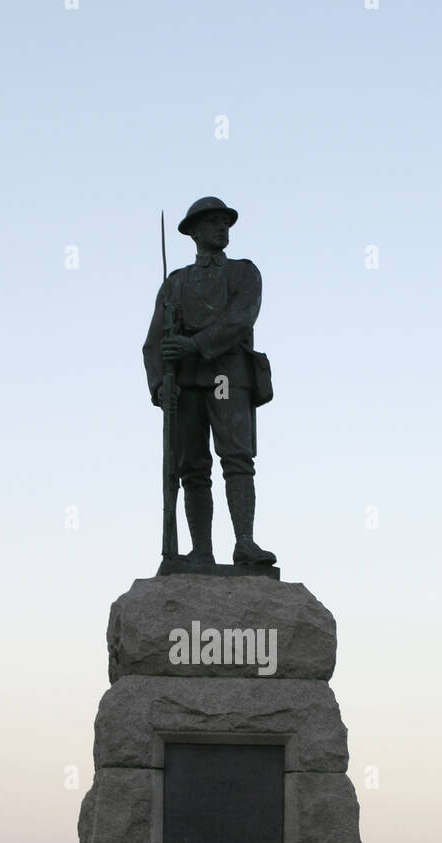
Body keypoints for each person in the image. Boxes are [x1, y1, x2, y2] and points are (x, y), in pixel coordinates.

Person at [143, 196, 277, 566]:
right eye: (214, 222)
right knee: (192, 467)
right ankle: (201, 550)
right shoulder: (176, 283)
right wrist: (158, 385)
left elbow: (240, 320)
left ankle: (244, 542)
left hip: (227, 374)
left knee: (236, 458)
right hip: (186, 382)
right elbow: (154, 341)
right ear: (194, 232)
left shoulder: (244, 273)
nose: (222, 228)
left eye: (225, 222)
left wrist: (195, 343)